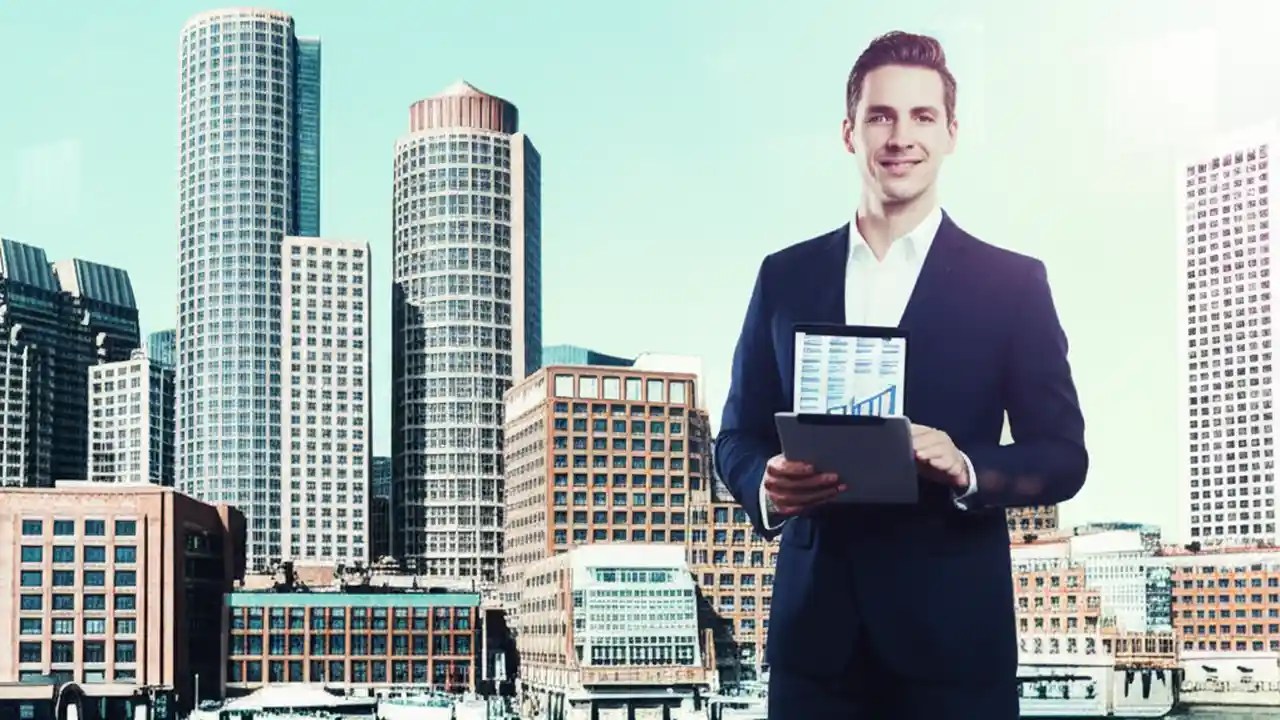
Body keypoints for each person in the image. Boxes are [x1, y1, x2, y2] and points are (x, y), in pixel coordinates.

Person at [714, 30, 1088, 719]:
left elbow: (1064, 456)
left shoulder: (1012, 284)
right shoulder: (784, 277)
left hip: (955, 649)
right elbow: (735, 435)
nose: (900, 137)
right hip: (814, 649)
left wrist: (967, 465)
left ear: (950, 134)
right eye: (880, 116)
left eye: (922, 117)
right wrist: (764, 483)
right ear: (849, 133)